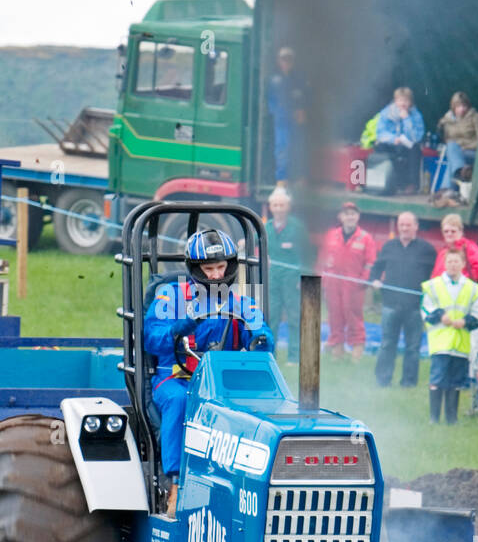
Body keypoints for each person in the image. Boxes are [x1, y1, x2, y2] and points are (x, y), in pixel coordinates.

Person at [143, 228, 273, 515]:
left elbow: (264, 339)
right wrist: (181, 326)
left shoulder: (242, 301)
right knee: (179, 402)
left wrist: (259, 339)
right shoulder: (171, 296)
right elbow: (151, 338)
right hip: (175, 377)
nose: (216, 275)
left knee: (254, 410)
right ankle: (175, 485)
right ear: (195, 268)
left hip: (223, 382)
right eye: (209, 268)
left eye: (221, 267)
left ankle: (251, 485)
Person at [371, 211, 436, 387]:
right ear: (398, 226)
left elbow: (434, 277)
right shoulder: (389, 246)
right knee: (387, 344)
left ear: (416, 226)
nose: (405, 228)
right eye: (402, 225)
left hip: (414, 307)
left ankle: (408, 383)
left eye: (408, 225)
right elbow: (376, 268)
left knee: (413, 347)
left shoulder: (427, 250)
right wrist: (375, 280)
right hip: (390, 305)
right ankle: (383, 380)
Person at [421, 248, 478, 424]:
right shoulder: (433, 285)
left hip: (460, 344)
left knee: (456, 380)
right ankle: (434, 417)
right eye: (449, 262)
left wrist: (466, 321)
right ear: (444, 264)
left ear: (463, 264)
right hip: (441, 342)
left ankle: (451, 419)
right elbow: (426, 308)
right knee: (438, 378)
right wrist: (440, 316)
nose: (453, 265)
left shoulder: (472, 288)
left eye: (456, 261)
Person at [317, 200, 376, 360]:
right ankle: (338, 350)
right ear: (340, 217)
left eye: (353, 214)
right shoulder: (331, 235)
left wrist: (362, 282)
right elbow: (322, 259)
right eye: (347, 214)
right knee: (335, 316)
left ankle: (357, 351)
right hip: (333, 283)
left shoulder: (365, 238)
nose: (350, 217)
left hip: (354, 285)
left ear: (358, 217)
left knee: (354, 316)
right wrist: (322, 279)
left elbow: (370, 263)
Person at [265, 186, 309, 363]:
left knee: (294, 318)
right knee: (272, 317)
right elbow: (251, 239)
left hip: (292, 280)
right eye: (275, 205)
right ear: (270, 207)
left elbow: (307, 255)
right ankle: (271, 356)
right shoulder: (266, 227)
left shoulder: (297, 228)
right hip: (273, 279)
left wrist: (303, 276)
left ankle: (294, 357)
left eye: (282, 205)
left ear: (288, 207)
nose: (278, 209)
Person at [266, 46, 309, 185]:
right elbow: (270, 100)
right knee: (282, 149)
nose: (286, 62)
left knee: (298, 148)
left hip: (296, 119)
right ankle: (282, 178)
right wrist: (276, 112)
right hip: (281, 120)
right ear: (279, 61)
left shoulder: (299, 79)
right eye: (283, 59)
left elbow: (303, 97)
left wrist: (302, 110)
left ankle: (299, 176)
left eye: (289, 59)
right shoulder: (274, 80)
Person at [372, 87, 425, 194]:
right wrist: (392, 139)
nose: (403, 103)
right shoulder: (386, 113)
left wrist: (406, 119)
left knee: (415, 150)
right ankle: (382, 182)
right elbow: (380, 132)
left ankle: (411, 184)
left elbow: (416, 137)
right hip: (391, 143)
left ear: (410, 102)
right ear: (396, 101)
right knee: (380, 147)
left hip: (407, 145)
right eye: (400, 100)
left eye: (406, 100)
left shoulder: (416, 115)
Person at [435, 91, 478, 198]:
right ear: (453, 107)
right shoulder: (447, 120)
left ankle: (446, 188)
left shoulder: (475, 117)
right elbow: (445, 140)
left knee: (453, 157)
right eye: (458, 106)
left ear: (468, 106)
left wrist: (464, 147)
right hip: (457, 153)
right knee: (451, 148)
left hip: (472, 152)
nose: (462, 109)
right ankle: (460, 172)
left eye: (464, 106)